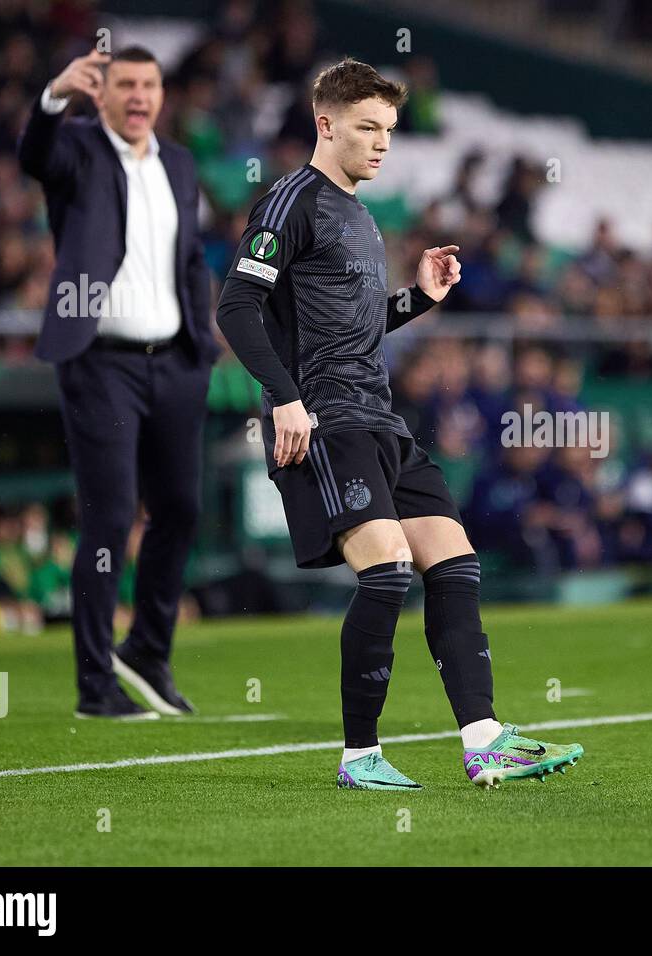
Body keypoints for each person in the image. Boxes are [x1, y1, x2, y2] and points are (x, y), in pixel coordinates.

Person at [215, 58, 583, 790]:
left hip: (380, 420)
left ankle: (485, 742)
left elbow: (353, 328)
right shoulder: (291, 202)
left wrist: (417, 300)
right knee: (385, 572)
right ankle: (359, 757)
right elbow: (236, 307)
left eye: (388, 129)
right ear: (326, 124)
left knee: (455, 562)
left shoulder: (358, 213)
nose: (383, 143)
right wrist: (286, 398)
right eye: (367, 128)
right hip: (326, 422)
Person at [18, 46, 219, 718]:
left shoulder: (180, 162)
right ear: (100, 95)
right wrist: (53, 97)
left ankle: (148, 652)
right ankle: (94, 685)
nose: (138, 96)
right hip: (100, 361)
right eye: (125, 84)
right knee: (108, 518)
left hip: (176, 363)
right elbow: (33, 157)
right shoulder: (76, 149)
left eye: (149, 84)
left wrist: (204, 344)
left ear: (163, 94)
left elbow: (189, 257)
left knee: (182, 510)